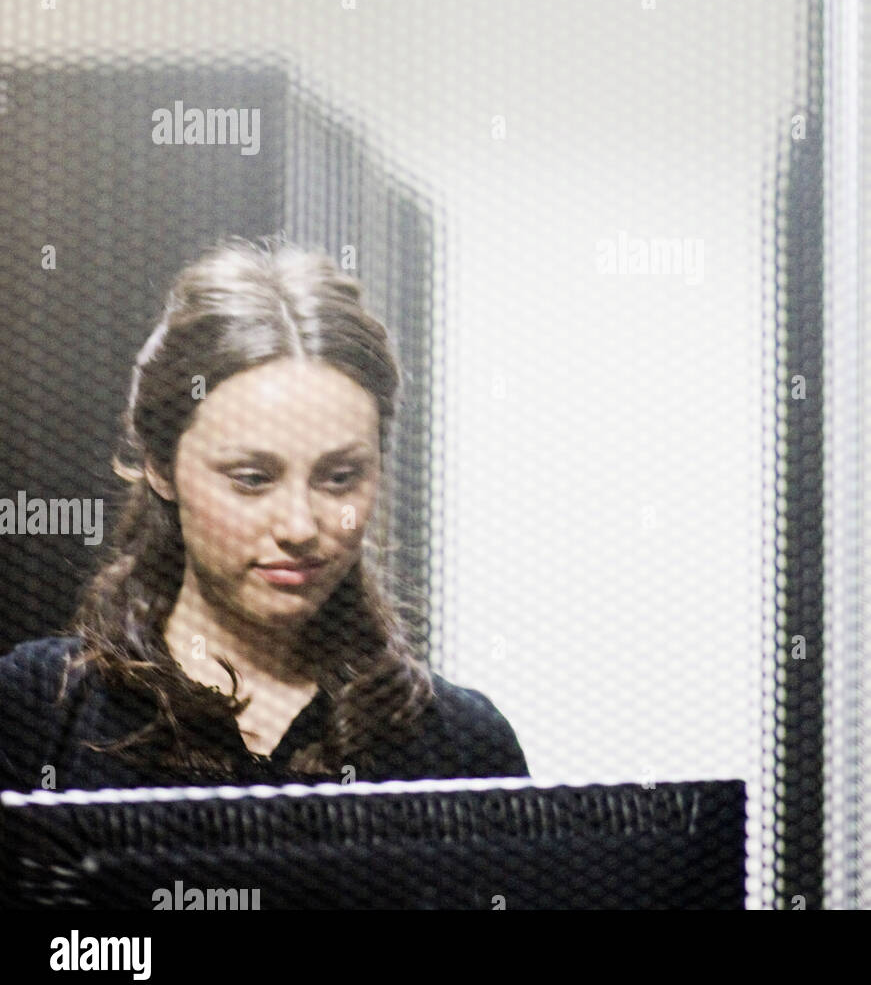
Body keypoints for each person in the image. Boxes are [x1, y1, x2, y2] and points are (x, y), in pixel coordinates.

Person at [0, 237, 527, 791]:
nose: (300, 527)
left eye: (340, 478)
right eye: (252, 479)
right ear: (160, 466)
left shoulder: (462, 748)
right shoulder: (35, 715)